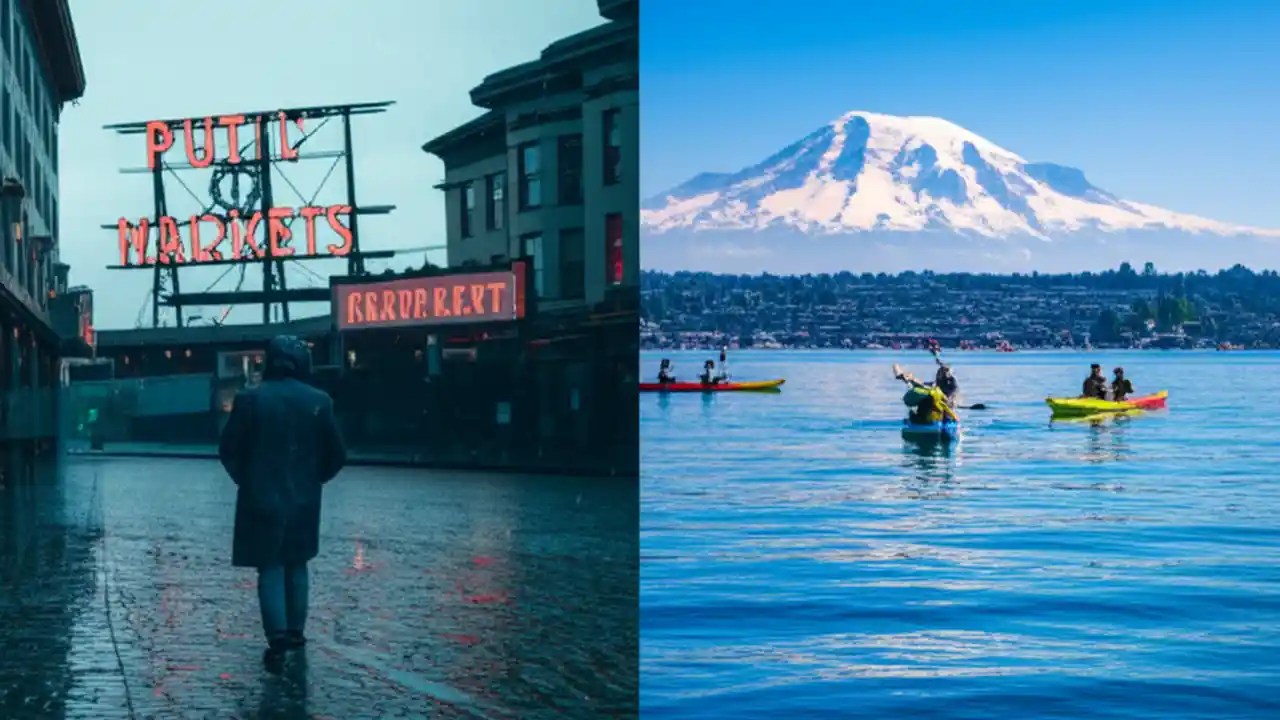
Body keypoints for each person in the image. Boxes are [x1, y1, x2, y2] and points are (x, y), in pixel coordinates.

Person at [218, 335, 347, 669]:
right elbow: (336, 455)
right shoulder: (319, 401)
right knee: (298, 563)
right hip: (304, 497)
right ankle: (295, 631)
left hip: (260, 496)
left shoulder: (250, 400)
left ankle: (276, 635)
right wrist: (314, 480)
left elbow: (229, 449)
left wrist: (246, 481)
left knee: (270, 566)